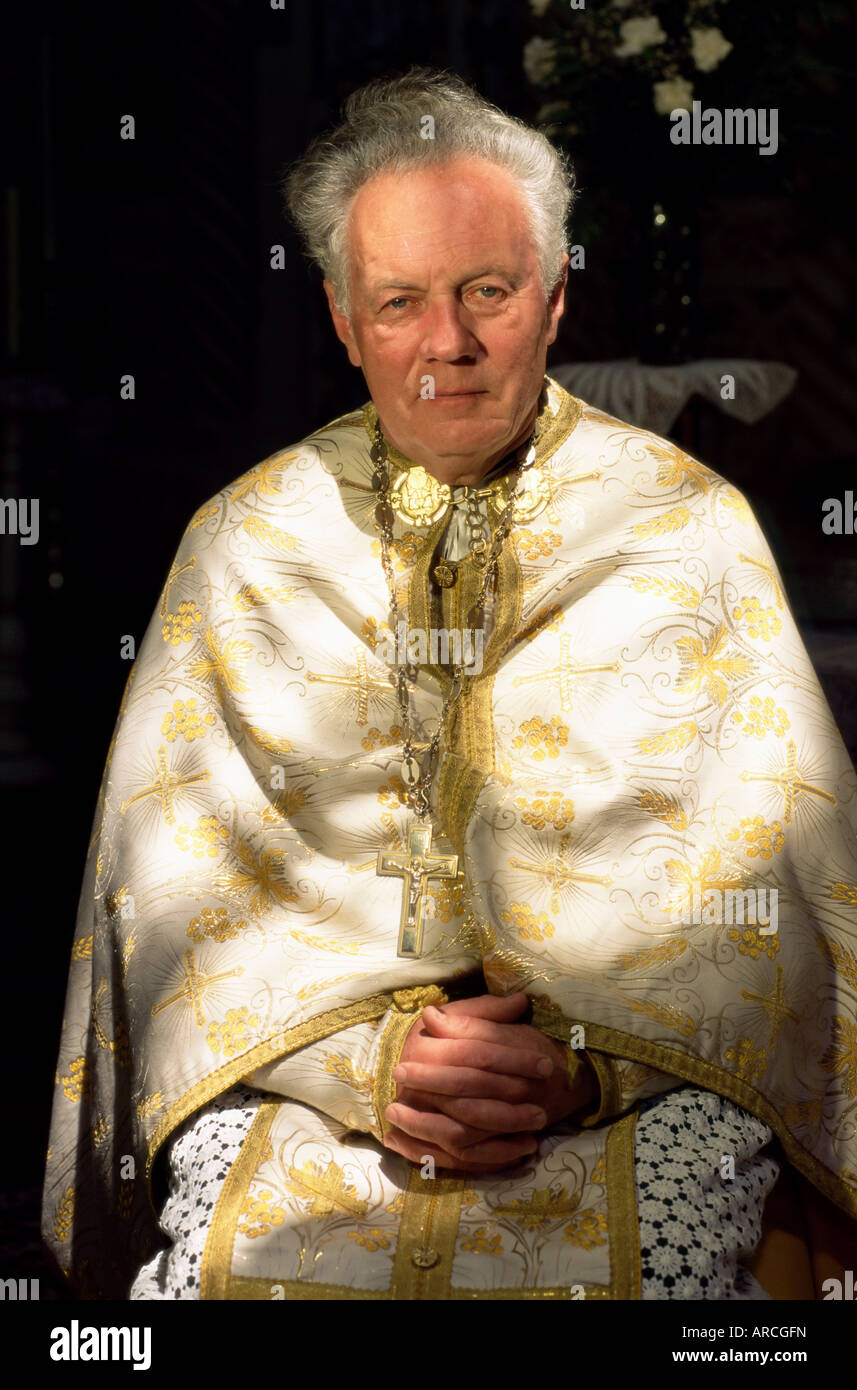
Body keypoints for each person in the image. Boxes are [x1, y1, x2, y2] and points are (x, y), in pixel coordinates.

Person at [43, 68, 857, 1301]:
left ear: (556, 294)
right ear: (337, 316)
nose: (447, 345)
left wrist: (583, 1063)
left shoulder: (688, 528)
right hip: (301, 1087)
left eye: (487, 291)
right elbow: (171, 917)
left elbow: (778, 919)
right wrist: (367, 1063)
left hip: (635, 1097)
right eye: (400, 301)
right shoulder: (243, 544)